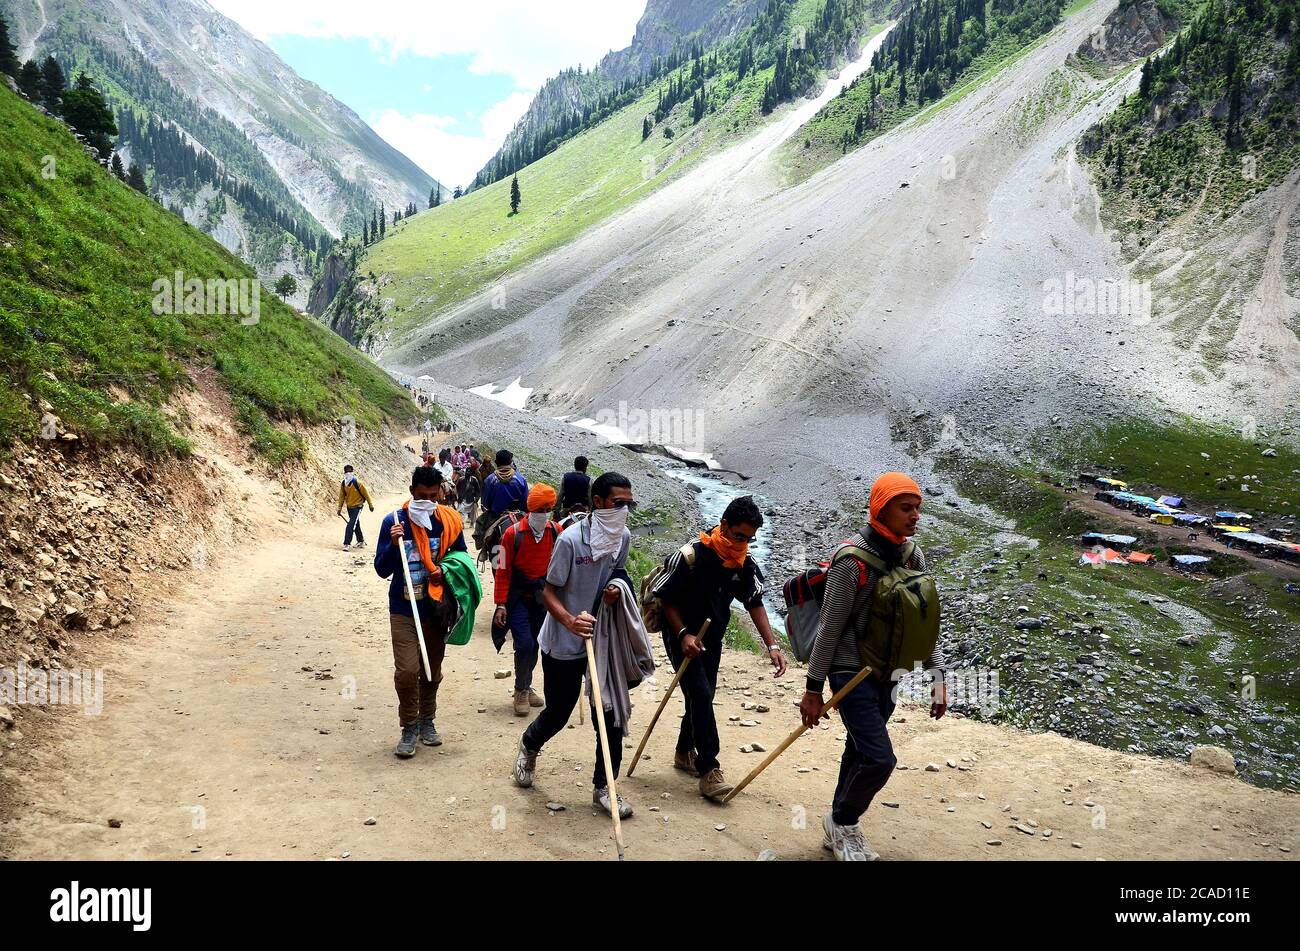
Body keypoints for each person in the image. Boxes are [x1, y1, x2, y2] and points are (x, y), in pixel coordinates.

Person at [798, 472, 946, 861]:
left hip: (890, 671)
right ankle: (845, 822)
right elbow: (829, 627)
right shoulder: (850, 560)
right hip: (850, 669)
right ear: (881, 508)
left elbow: (924, 621)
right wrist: (813, 690)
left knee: (859, 748)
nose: (915, 516)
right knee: (880, 758)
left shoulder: (912, 555)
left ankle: (837, 825)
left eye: (917, 508)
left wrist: (939, 677)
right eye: (905, 508)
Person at [512, 472, 637, 819]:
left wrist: (615, 587)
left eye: (629, 503)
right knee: (559, 712)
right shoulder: (570, 541)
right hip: (564, 638)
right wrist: (570, 621)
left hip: (602, 640)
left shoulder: (622, 536)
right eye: (618, 503)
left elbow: (619, 571)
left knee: (609, 714)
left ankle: (604, 788)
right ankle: (529, 744)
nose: (625, 510)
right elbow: (548, 592)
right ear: (598, 503)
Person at [651, 495, 786, 800]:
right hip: (682, 635)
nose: (743, 543)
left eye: (750, 538)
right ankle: (709, 768)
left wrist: (772, 645)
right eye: (739, 535)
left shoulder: (743, 563)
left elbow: (754, 603)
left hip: (712, 638)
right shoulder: (690, 557)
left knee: (703, 694)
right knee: (699, 692)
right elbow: (666, 598)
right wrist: (683, 634)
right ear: (723, 525)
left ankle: (684, 751)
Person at [373, 466, 468, 758]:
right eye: (422, 495)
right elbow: (381, 569)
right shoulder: (395, 522)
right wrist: (391, 544)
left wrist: (444, 571)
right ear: (412, 491)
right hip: (402, 607)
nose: (428, 500)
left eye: (433, 495)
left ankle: (427, 720)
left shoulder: (448, 522)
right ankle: (409, 726)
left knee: (431, 669)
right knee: (407, 670)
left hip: (436, 608)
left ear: (440, 492)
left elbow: (461, 558)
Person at [494, 484, 562, 715]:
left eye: (550, 508)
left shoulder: (556, 531)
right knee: (524, 644)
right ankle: (520, 689)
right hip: (518, 598)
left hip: (542, 598)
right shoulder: (511, 535)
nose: (546, 513)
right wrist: (500, 603)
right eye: (541, 508)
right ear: (530, 508)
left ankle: (526, 684)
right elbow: (502, 569)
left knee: (537, 644)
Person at [475, 449, 528, 546]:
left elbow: (486, 503)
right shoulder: (521, 479)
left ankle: (483, 547)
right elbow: (525, 501)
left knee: (480, 522)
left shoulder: (490, 479)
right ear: (510, 462)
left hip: (496, 514)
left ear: (496, 462)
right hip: (519, 513)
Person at [336, 465, 375, 550]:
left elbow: (366, 494)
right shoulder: (343, 484)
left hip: (358, 507)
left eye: (349, 471)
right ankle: (361, 541)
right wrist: (339, 508)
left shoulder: (358, 483)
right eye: (346, 472)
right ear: (344, 473)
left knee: (351, 524)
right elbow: (341, 497)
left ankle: (347, 543)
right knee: (355, 524)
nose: (348, 473)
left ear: (352, 472)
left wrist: (370, 505)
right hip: (349, 507)